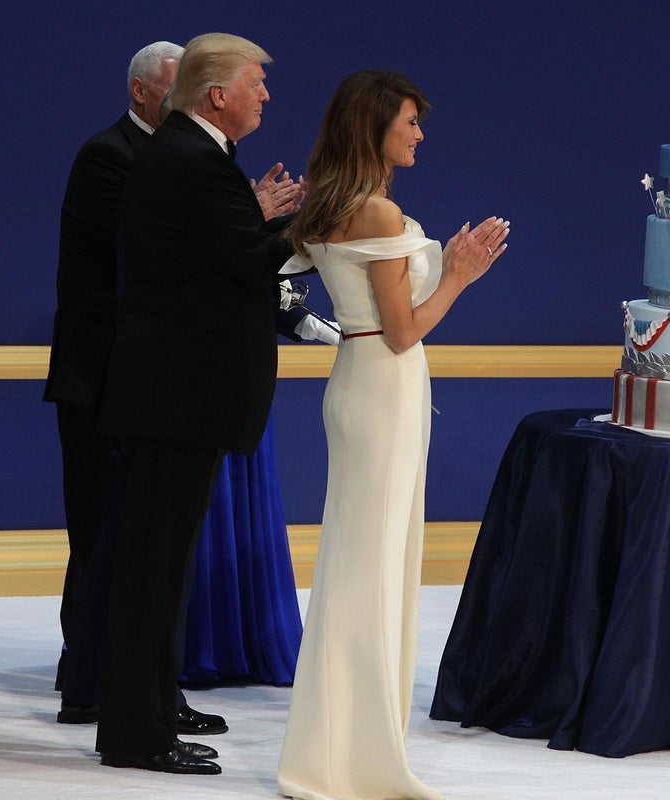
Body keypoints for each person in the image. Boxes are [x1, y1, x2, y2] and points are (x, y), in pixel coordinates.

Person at [276, 70, 509, 800]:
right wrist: (460, 276)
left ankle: (345, 745)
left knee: (362, 564)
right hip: (382, 379)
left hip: (362, 379)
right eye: (408, 121)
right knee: (370, 571)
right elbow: (405, 332)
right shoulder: (377, 213)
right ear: (373, 127)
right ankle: (357, 758)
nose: (418, 134)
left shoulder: (333, 204)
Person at [94, 32, 296, 775]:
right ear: (218, 94)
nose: (265, 95)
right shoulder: (193, 160)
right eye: (256, 84)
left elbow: (224, 251)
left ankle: (147, 715)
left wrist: (263, 221)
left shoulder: (193, 157)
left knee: (159, 568)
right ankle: (136, 734)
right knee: (152, 571)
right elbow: (245, 260)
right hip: (174, 399)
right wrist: (310, 221)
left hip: (169, 398)